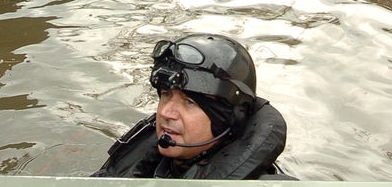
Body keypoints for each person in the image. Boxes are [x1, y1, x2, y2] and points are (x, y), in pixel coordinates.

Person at [93, 33, 293, 180]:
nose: (165, 112)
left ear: (228, 118)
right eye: (166, 95)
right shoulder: (140, 168)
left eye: (190, 103)